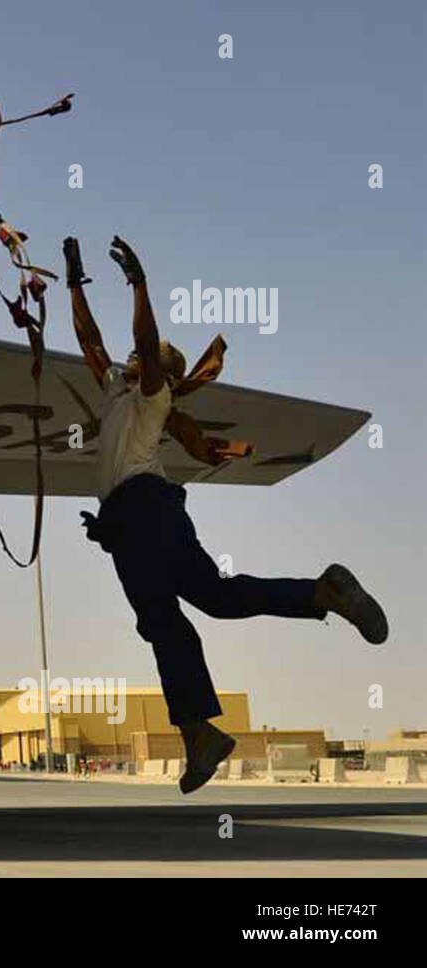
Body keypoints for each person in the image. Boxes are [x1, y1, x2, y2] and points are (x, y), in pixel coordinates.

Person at [64, 235, 388, 794]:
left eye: (145, 356)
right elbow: (91, 341)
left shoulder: (150, 396)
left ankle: (199, 734)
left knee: (162, 622)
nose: (134, 355)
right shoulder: (118, 391)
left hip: (143, 510)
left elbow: (139, 337)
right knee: (216, 598)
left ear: (158, 373)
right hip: (142, 515)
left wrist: (139, 284)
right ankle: (321, 593)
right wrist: (74, 283)